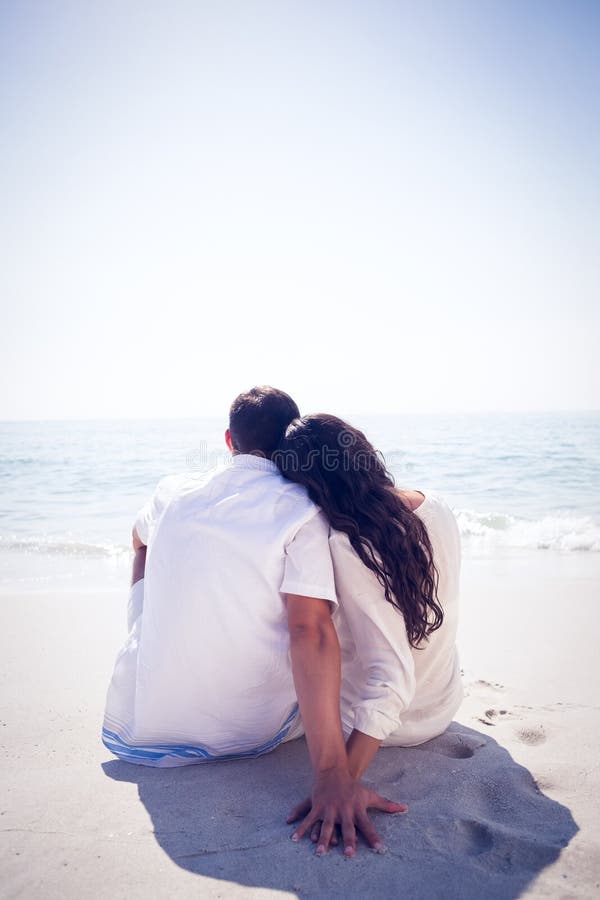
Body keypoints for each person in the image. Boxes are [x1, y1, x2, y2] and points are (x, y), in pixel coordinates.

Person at [102, 387, 405, 857]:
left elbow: (138, 541)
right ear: (290, 443)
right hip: (253, 733)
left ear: (229, 440)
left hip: (149, 724)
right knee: (322, 613)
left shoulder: (171, 491)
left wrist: (140, 617)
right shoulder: (302, 511)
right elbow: (310, 632)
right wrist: (331, 775)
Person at [273, 414, 462, 836]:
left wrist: (341, 780)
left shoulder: (347, 545)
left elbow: (391, 679)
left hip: (391, 725)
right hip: (443, 702)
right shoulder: (437, 505)